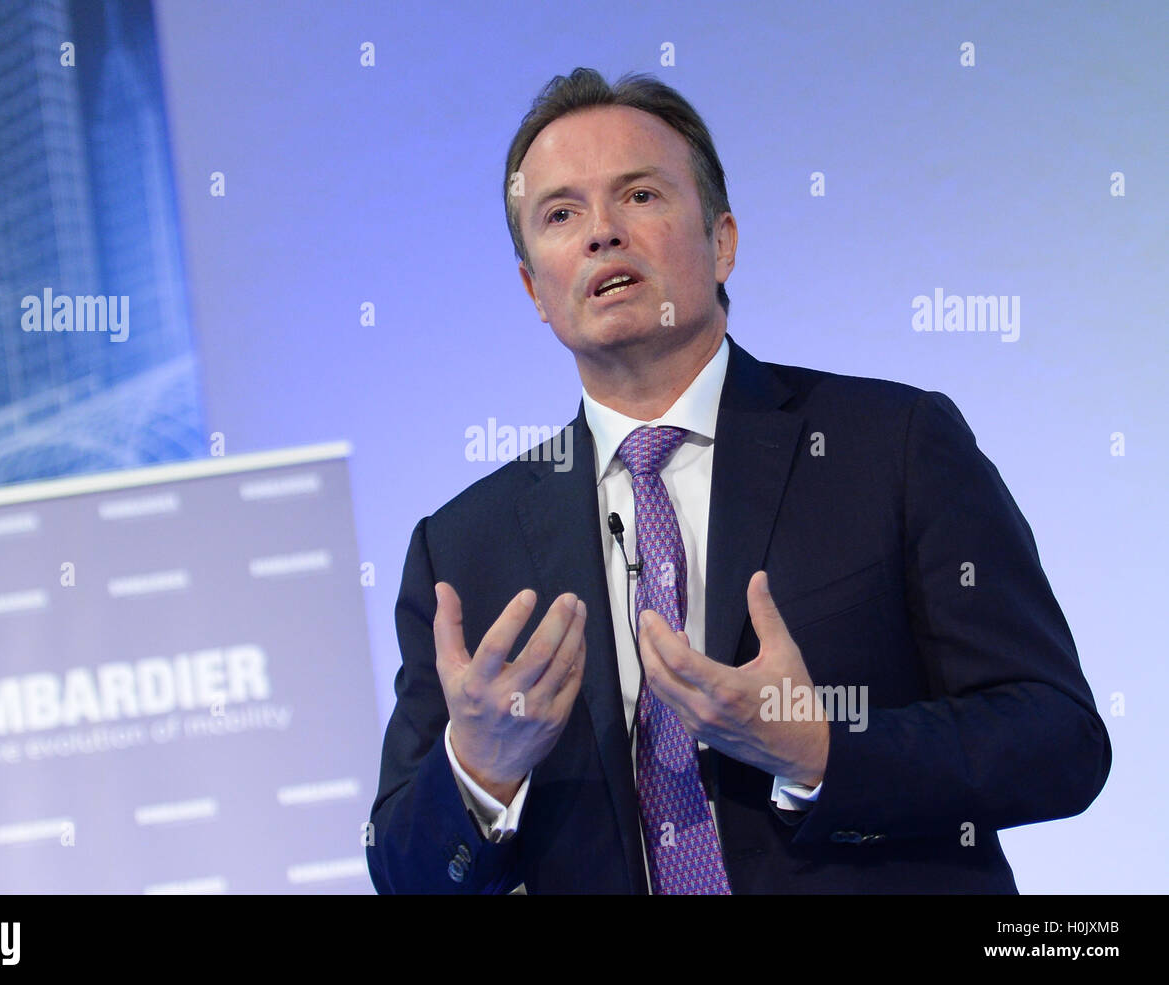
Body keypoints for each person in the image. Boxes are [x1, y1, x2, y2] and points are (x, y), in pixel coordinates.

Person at [365, 68, 1111, 894]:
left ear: (722, 240)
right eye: (561, 214)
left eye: (640, 196)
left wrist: (819, 747)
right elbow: (404, 874)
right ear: (534, 289)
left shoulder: (892, 445)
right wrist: (478, 772)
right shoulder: (464, 548)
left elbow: (1059, 739)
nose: (602, 233)